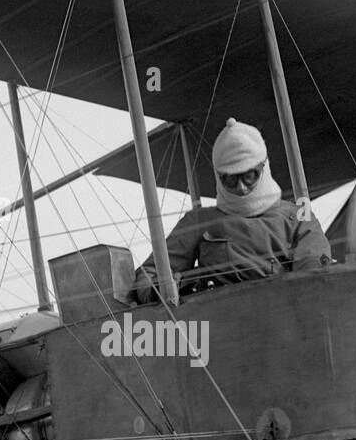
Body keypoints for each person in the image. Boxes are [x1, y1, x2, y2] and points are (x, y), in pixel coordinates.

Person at [132, 118, 331, 302]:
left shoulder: (299, 215)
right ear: (219, 177)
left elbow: (315, 271)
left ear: (264, 168)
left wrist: (311, 282)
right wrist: (159, 289)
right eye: (231, 179)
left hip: (287, 315)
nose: (242, 187)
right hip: (220, 323)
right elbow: (148, 274)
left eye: (249, 176)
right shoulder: (199, 221)